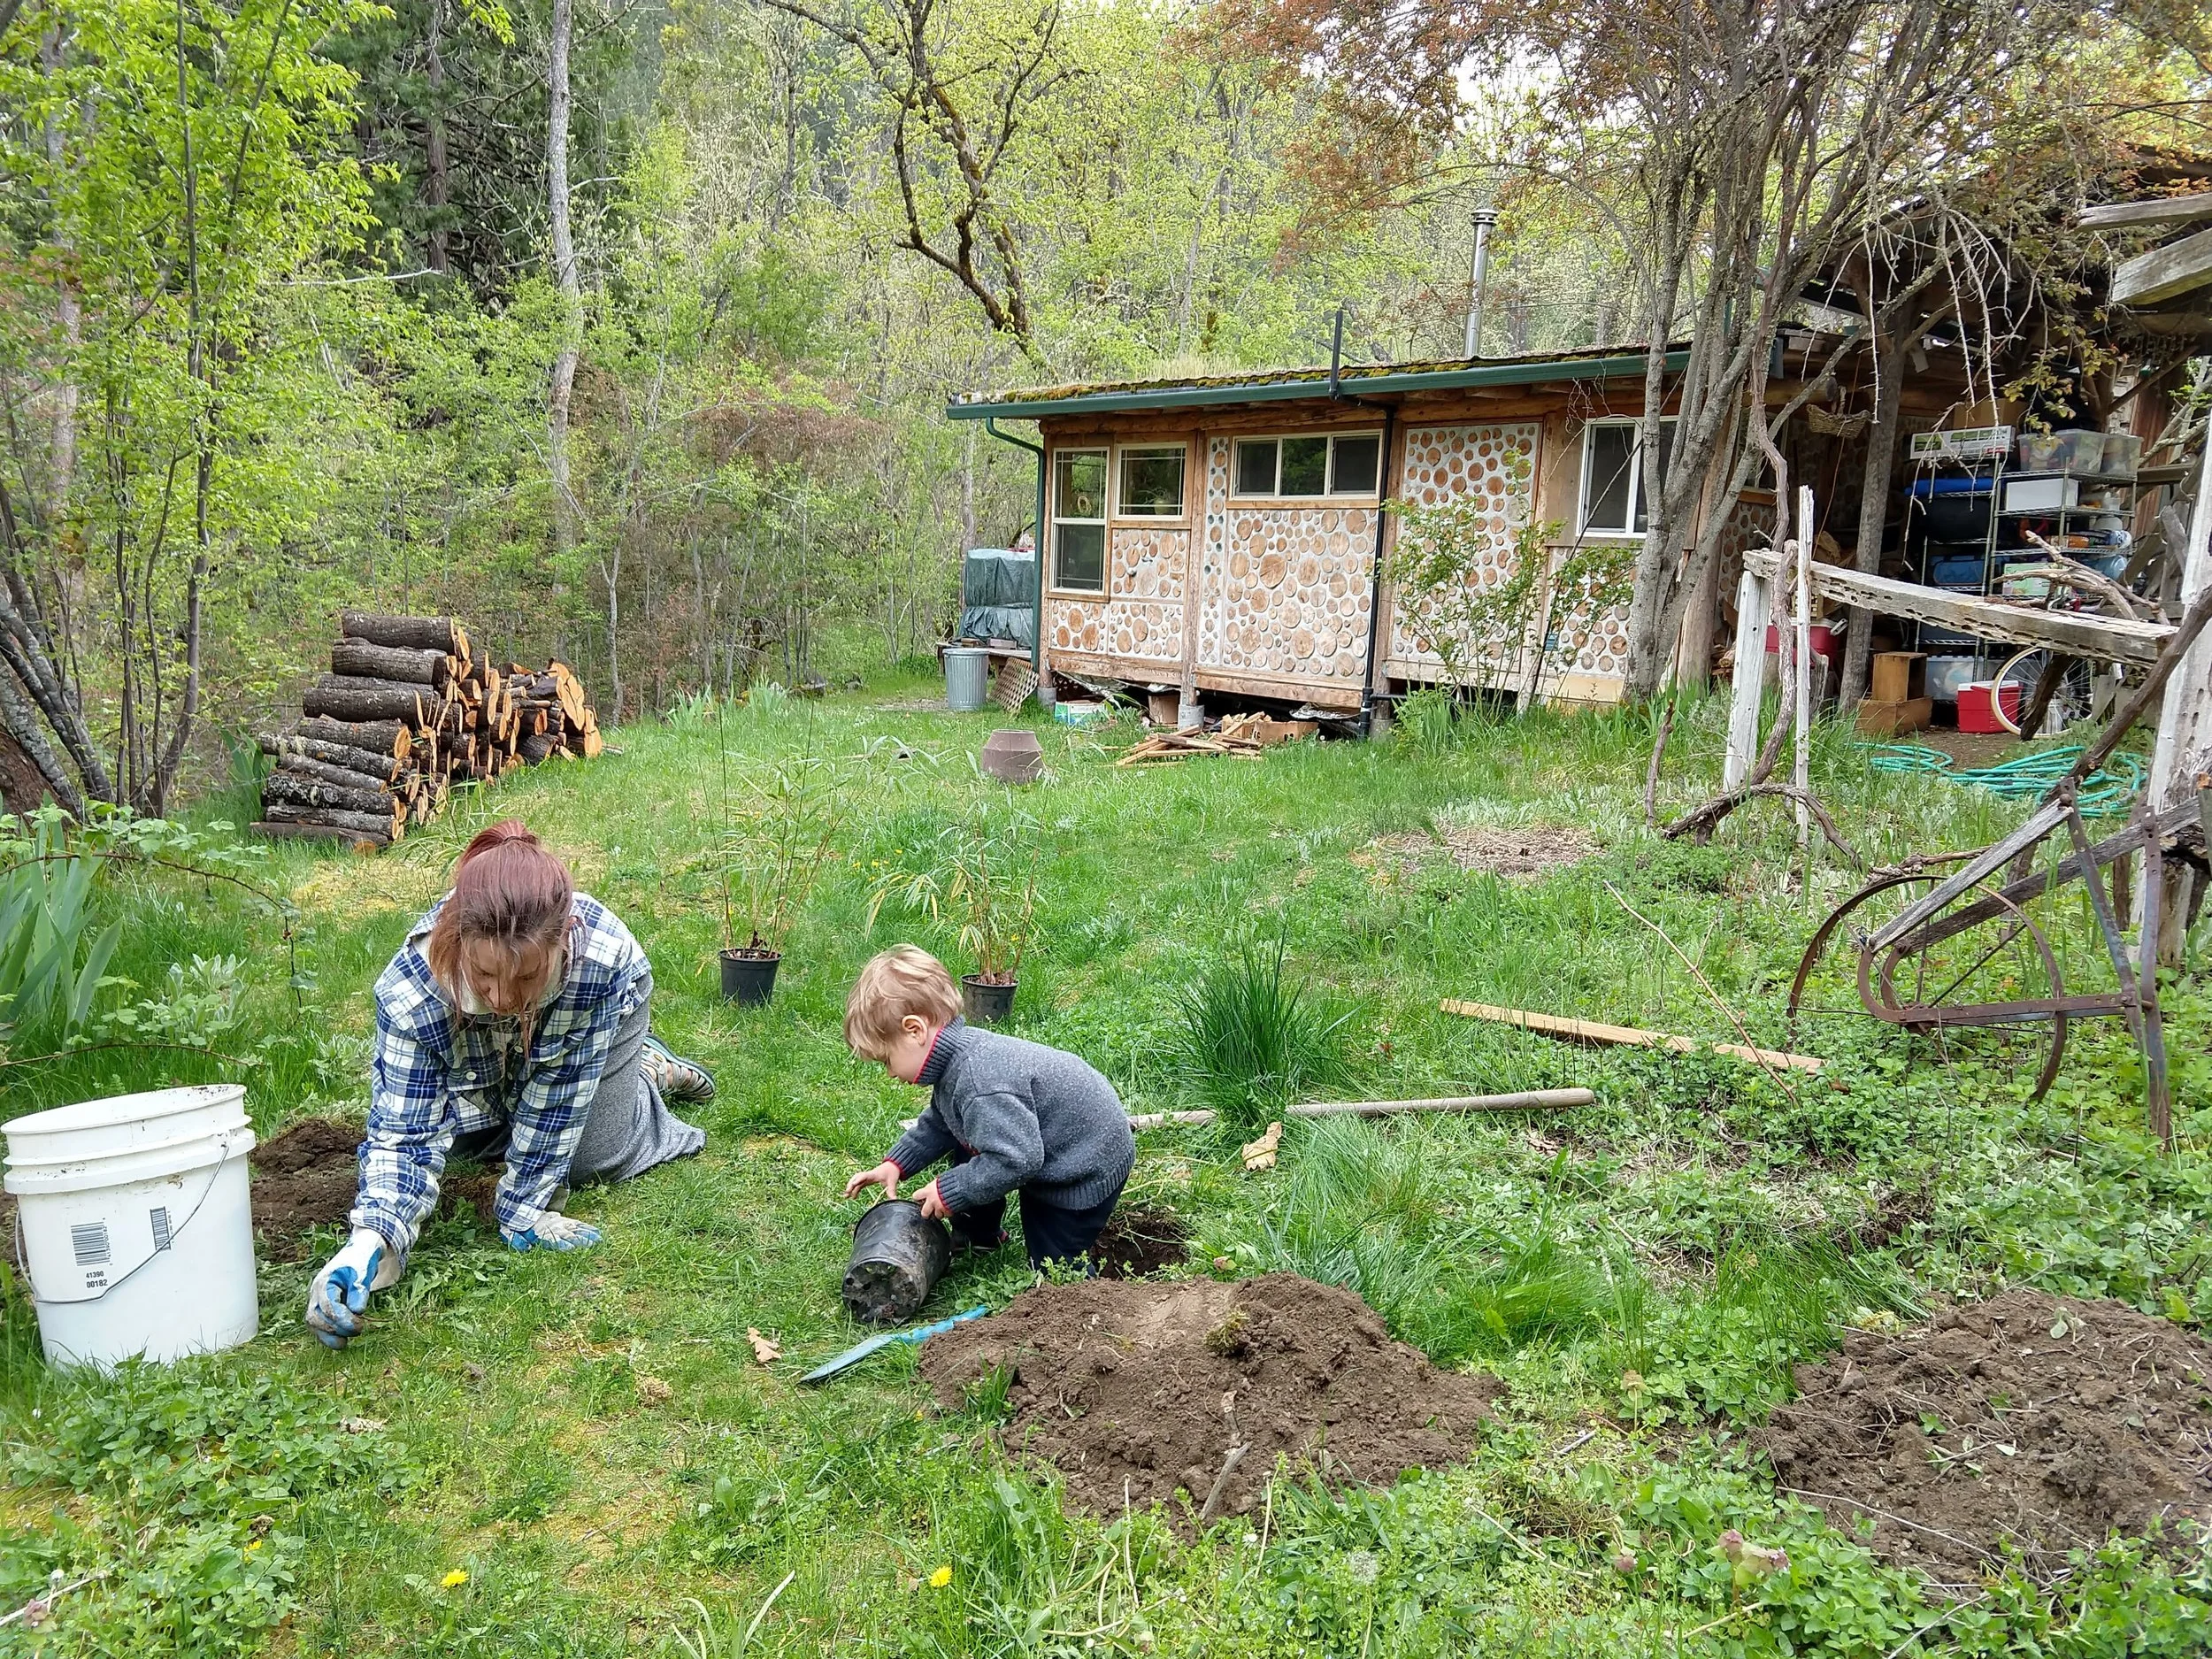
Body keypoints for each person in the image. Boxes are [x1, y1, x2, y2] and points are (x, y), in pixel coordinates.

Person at [307, 820, 714, 1348]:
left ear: (562, 941)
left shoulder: (597, 964)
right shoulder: (413, 993)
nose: (502, 997)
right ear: (459, 942)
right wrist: (372, 1240)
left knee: (594, 1157)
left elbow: (557, 1097)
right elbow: (405, 1134)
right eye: (485, 976)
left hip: (596, 1015)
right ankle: (560, 1071)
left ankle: (643, 1068)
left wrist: (522, 1207)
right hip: (503, 1043)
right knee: (462, 1140)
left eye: (524, 978)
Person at [840, 946, 1133, 1270]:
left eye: (887, 1060)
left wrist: (949, 1191)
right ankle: (978, 1237)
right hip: (1046, 1143)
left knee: (1053, 1263)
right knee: (971, 1142)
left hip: (1083, 1165)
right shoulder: (956, 1062)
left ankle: (1088, 1305)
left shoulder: (980, 1082)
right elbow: (941, 1123)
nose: (891, 1073)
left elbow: (1017, 1160)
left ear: (915, 1030)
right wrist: (895, 1165)